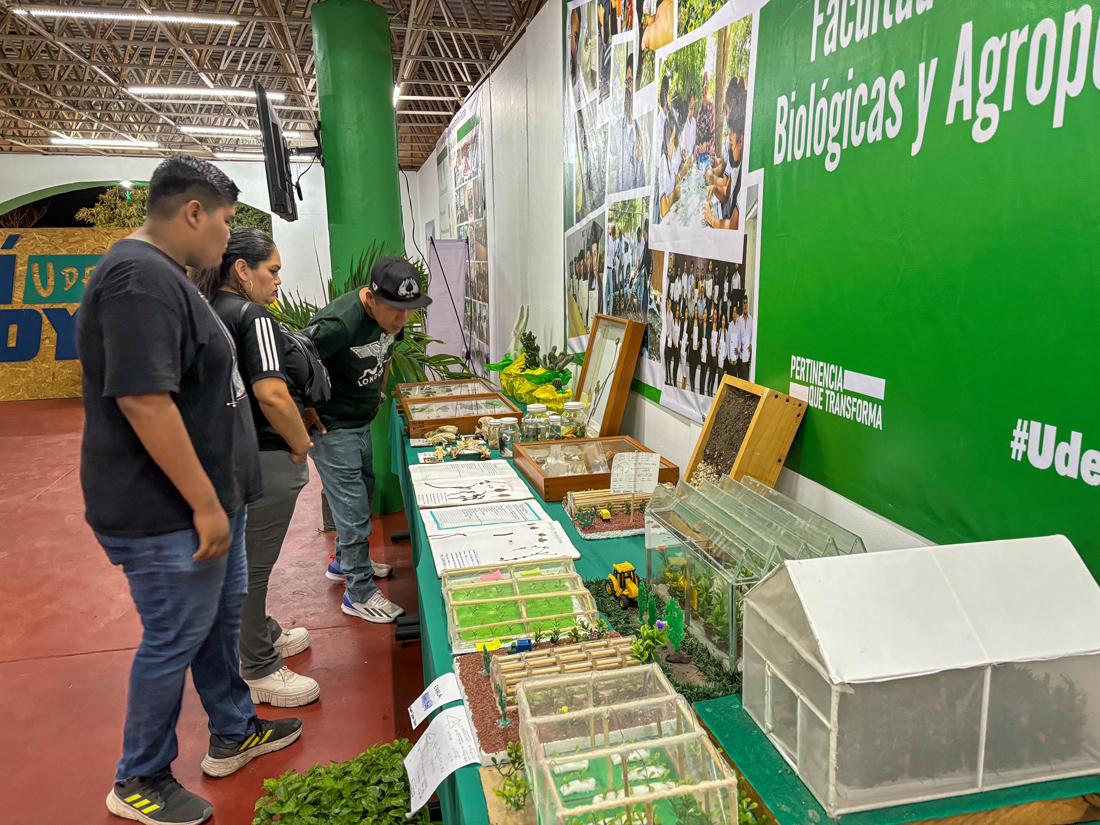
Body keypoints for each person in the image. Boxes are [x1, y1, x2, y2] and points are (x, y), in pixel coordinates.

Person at [79, 156, 302, 825]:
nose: (227, 239)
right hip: (165, 510)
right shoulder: (137, 280)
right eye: (227, 221)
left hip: (210, 501)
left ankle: (232, 730)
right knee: (174, 633)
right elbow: (146, 401)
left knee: (213, 620)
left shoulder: (167, 278)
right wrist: (204, 503)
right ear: (193, 212)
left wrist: (223, 496)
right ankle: (140, 774)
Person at [192, 229, 321, 709]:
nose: (279, 281)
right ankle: (259, 664)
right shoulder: (252, 316)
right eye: (272, 271)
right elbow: (271, 392)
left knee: (246, 561)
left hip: (229, 453)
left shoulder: (211, 310)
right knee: (254, 567)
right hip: (265, 453)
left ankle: (260, 632)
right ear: (241, 270)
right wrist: (300, 444)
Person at [310, 257, 432, 623]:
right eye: (395, 309)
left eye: (409, 310)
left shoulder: (393, 317)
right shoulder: (338, 322)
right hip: (333, 426)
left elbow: (388, 352)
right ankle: (358, 591)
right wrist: (305, 410)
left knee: (362, 492)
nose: (402, 319)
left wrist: (378, 392)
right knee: (351, 510)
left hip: (360, 420)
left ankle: (344, 564)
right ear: (372, 299)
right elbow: (289, 361)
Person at [704, 76, 748, 230]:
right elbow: (726, 189)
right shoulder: (738, 159)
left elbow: (734, 225)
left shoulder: (747, 170)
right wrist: (714, 186)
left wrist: (711, 219)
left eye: (731, 143)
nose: (729, 147)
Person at [657, 115, 682, 219]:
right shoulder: (663, 162)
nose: (672, 146)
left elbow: (674, 179)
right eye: (671, 141)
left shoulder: (670, 159)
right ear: (666, 141)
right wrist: (674, 194)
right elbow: (663, 210)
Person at [697, 76, 716, 159]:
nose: (704, 93)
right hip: (700, 154)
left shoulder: (711, 109)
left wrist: (707, 146)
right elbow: (696, 137)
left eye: (706, 90)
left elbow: (714, 135)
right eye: (702, 91)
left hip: (709, 154)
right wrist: (699, 147)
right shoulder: (699, 111)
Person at [726, 303, 741, 377]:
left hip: (736, 358)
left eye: (736, 312)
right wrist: (729, 357)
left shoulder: (739, 327)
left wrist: (738, 350)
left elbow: (739, 341)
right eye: (733, 312)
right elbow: (728, 342)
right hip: (730, 358)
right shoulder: (730, 326)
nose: (734, 314)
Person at [740, 300, 753, 379]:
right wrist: (739, 345)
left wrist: (751, 344)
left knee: (747, 374)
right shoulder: (739, 320)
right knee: (741, 375)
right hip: (741, 352)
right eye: (744, 303)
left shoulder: (751, 320)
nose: (745, 305)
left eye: (746, 303)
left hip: (748, 351)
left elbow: (753, 334)